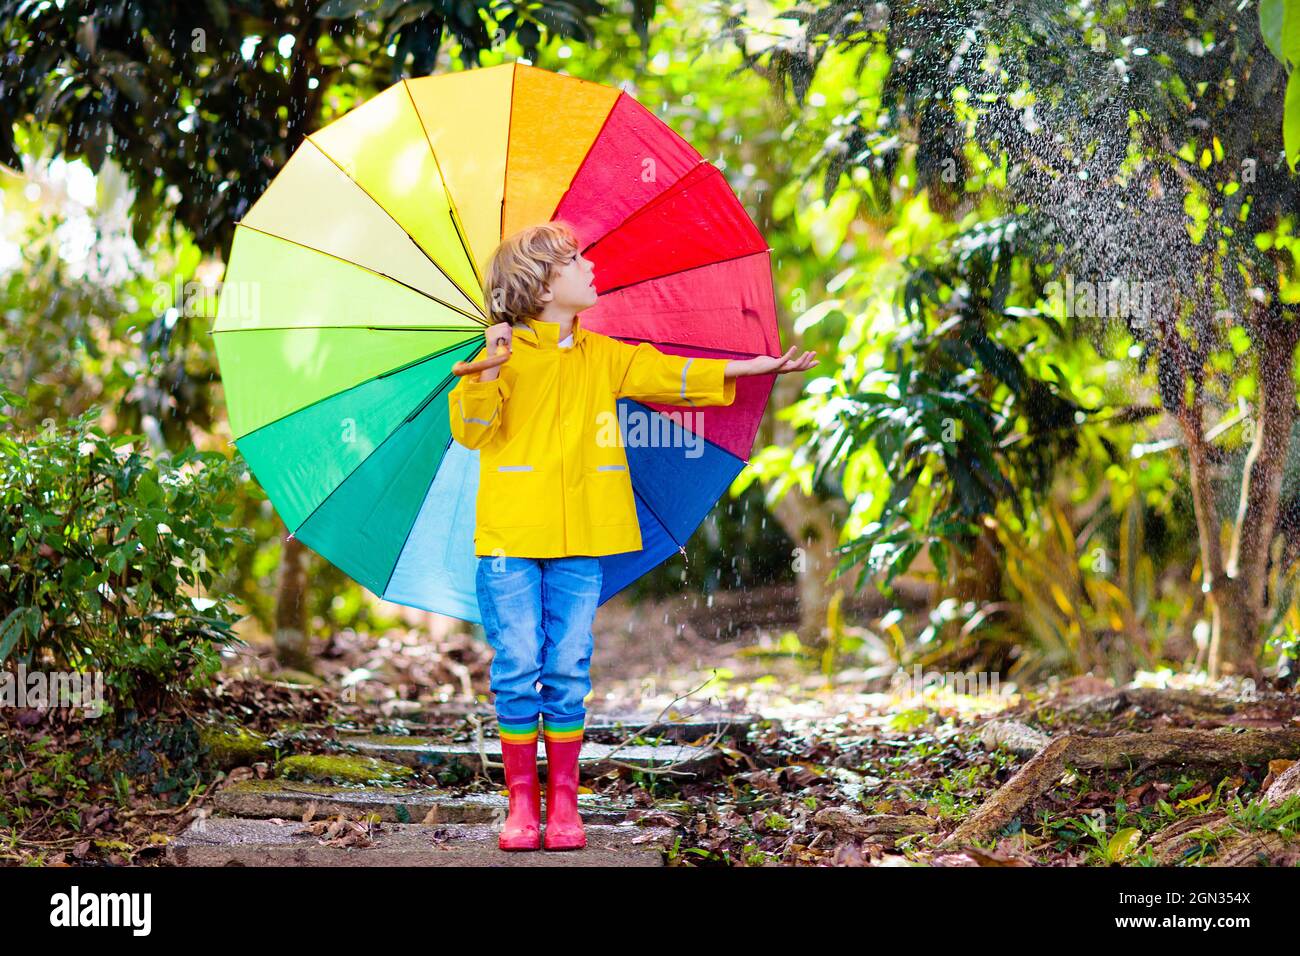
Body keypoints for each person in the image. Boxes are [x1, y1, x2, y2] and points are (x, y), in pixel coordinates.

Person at [447, 220, 817, 851]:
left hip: (582, 538)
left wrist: (757, 368)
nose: (589, 267)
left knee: (567, 668)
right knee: (516, 668)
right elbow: (472, 433)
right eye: (574, 261)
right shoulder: (493, 358)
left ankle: (563, 803)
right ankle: (520, 806)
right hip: (509, 540)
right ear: (539, 284)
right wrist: (487, 368)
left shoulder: (604, 356)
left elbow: (672, 374)